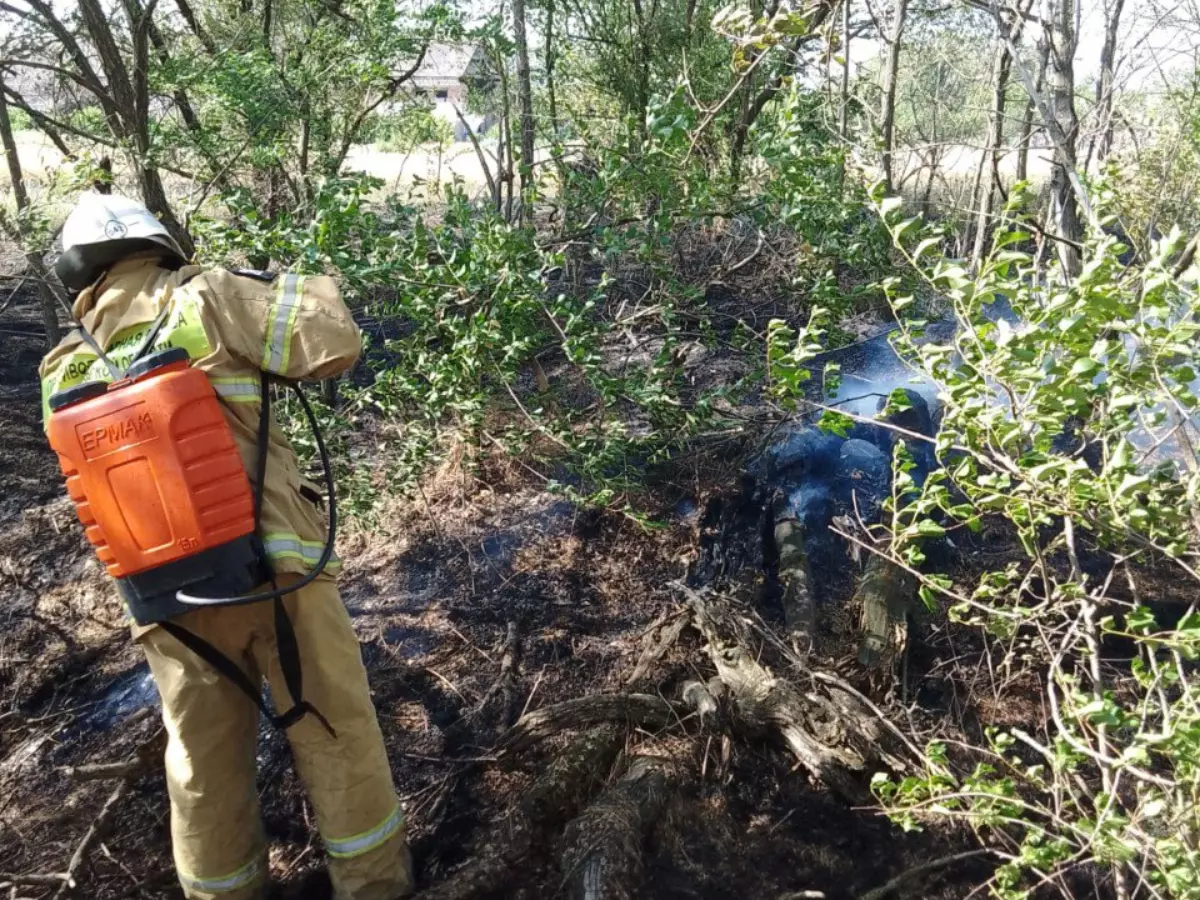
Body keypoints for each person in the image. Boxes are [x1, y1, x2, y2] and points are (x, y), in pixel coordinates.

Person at [38, 192, 413, 900]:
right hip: (278, 576)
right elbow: (336, 341)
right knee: (337, 733)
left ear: (78, 276)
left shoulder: (58, 366)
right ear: (160, 247)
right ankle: (374, 886)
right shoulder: (207, 296)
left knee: (202, 768)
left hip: (164, 601)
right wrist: (287, 283)